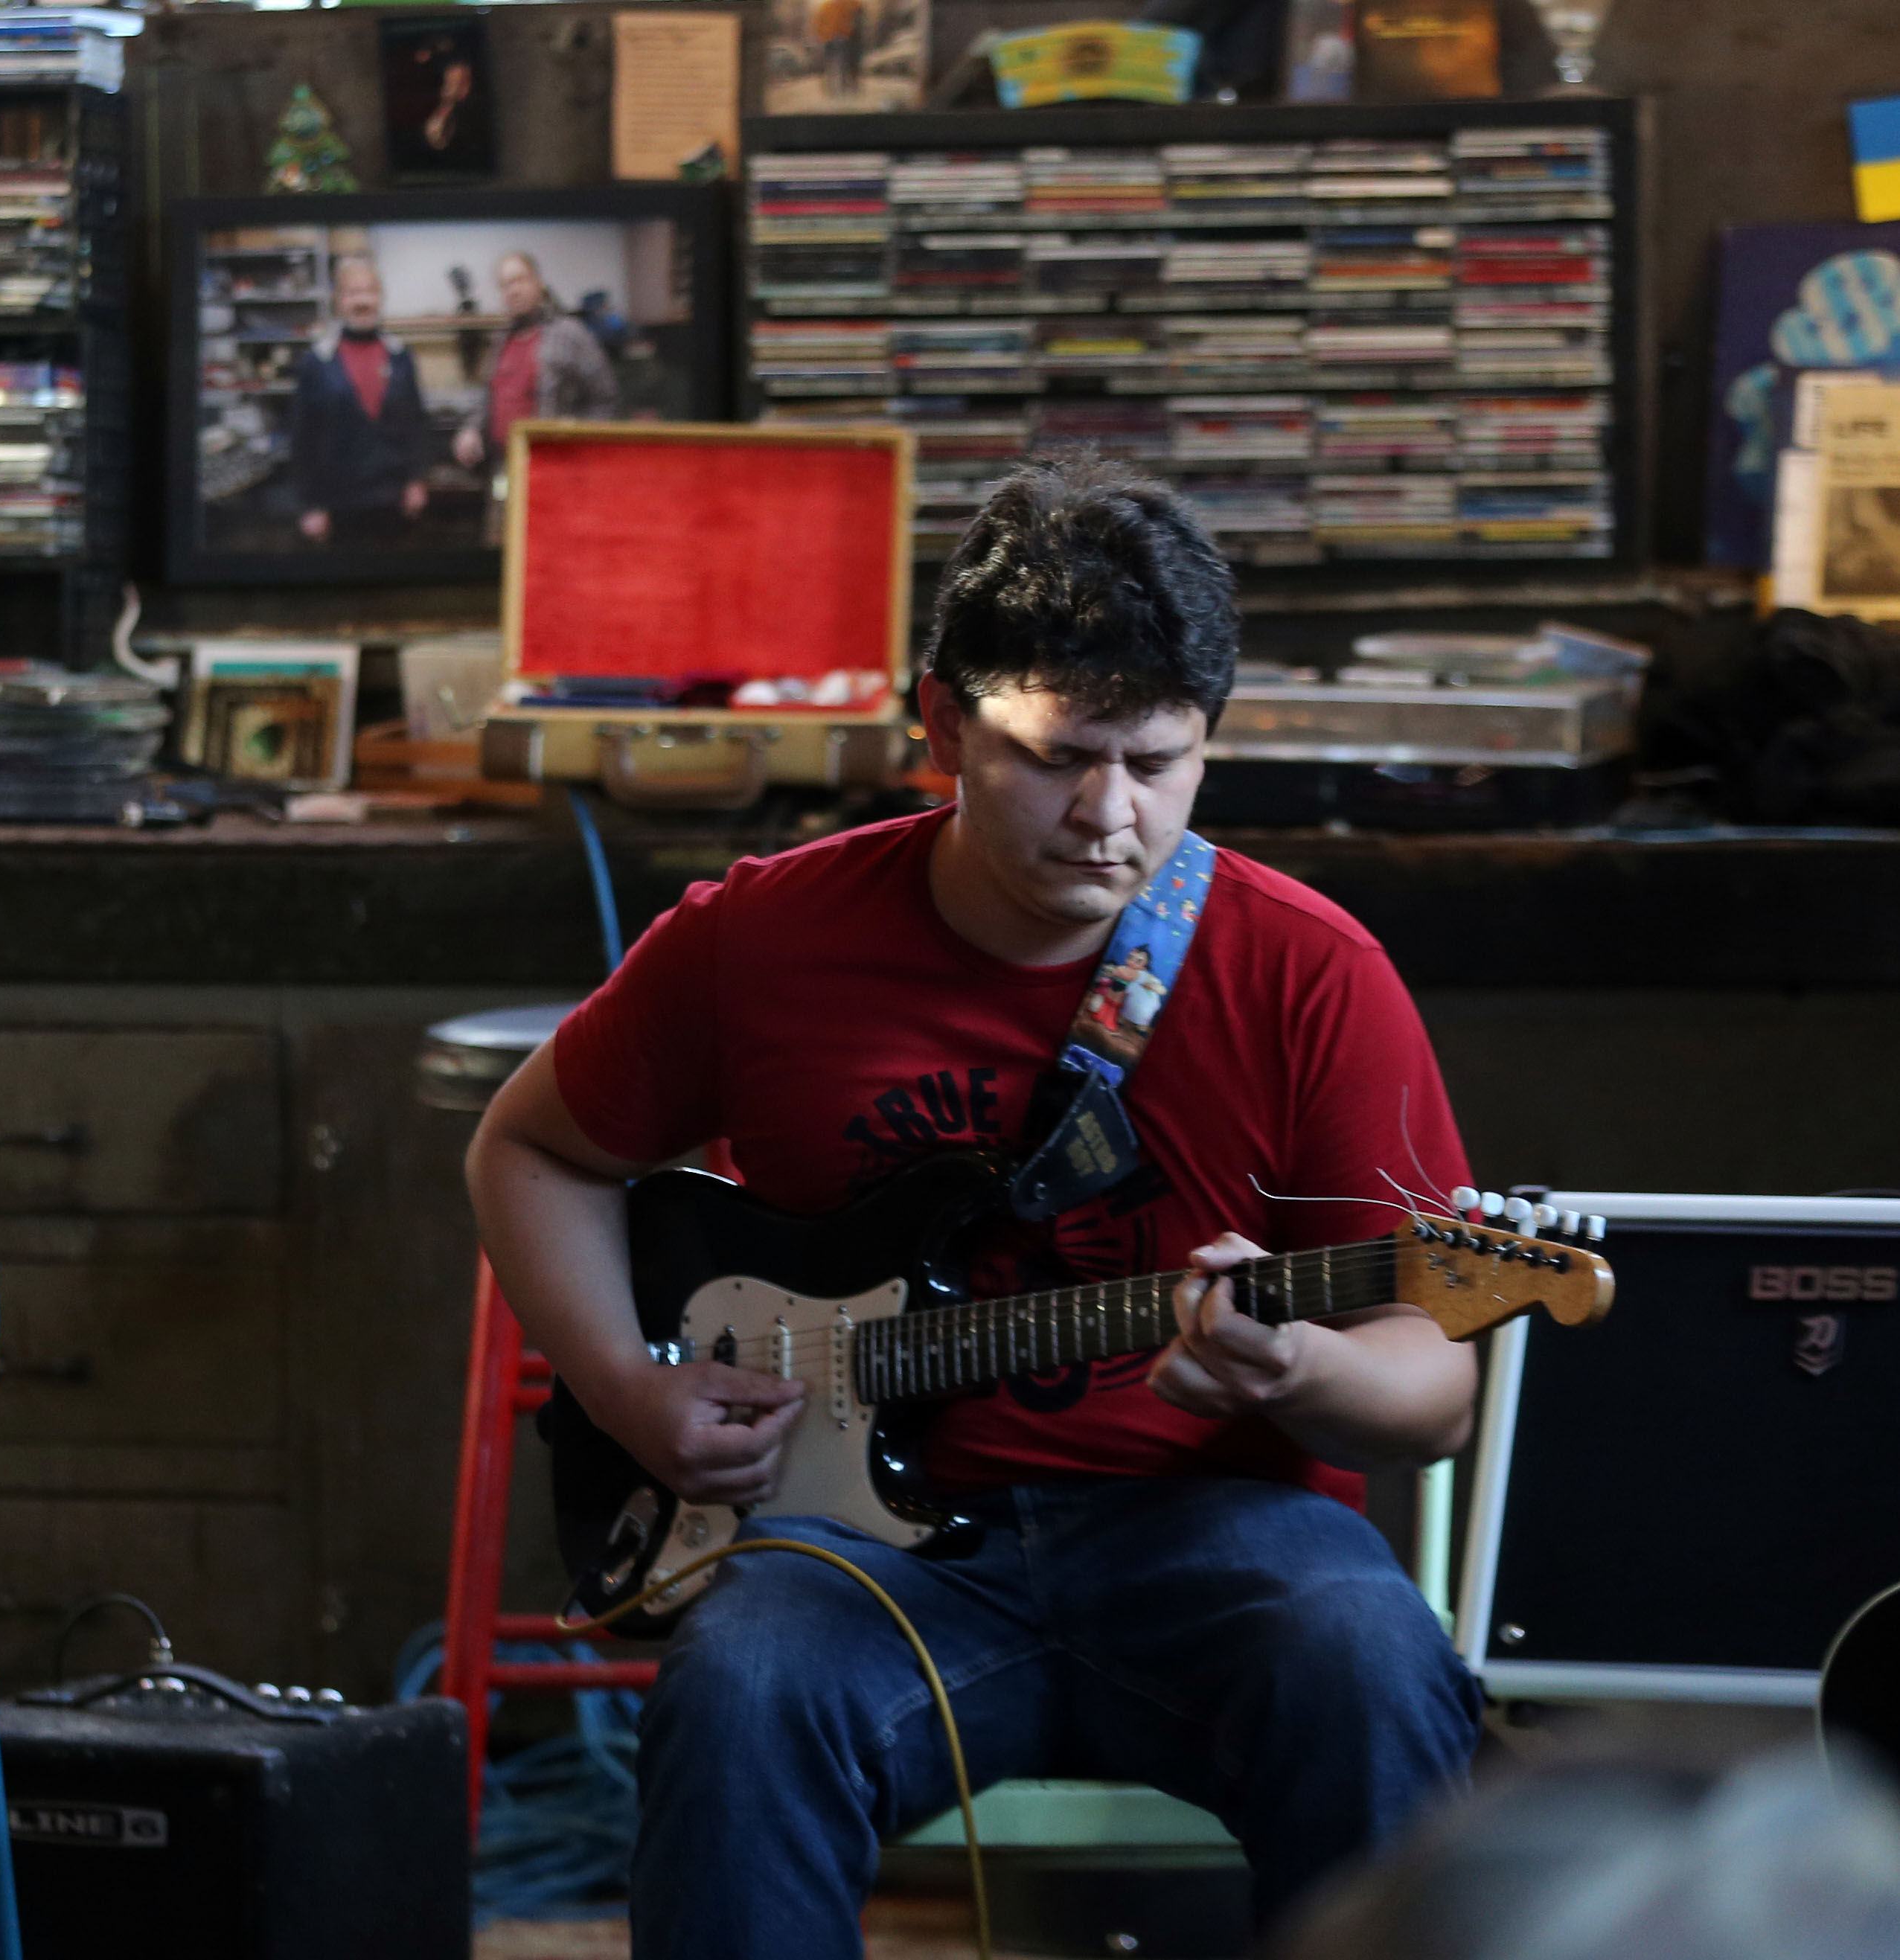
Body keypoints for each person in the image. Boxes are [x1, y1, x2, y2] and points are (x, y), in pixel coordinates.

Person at [466, 455, 1484, 1957]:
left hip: (1214, 1534)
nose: (1107, 816)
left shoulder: (1303, 969)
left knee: (1373, 1662)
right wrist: (625, 1390)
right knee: (741, 1688)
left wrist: (1304, 1370)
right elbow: (530, 1151)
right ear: (937, 720)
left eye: (1157, 762)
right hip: (857, 1553)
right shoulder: (765, 936)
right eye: (1054, 755)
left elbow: (1432, 1372)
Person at [290, 255, 432, 548]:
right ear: (339, 301)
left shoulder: (401, 356)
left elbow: (417, 424)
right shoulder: (317, 362)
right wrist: (310, 504)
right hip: (338, 505)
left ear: (380, 298)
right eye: (352, 292)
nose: (362, 301)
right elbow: (303, 437)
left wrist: (418, 481)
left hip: (394, 502)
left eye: (369, 291)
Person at [451, 249, 619, 474]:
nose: (513, 291)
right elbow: (489, 398)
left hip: (556, 469)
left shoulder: (570, 335)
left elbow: (606, 401)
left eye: (519, 280)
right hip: (505, 468)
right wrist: (472, 430)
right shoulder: (502, 341)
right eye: (505, 285)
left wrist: (576, 440)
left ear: (538, 283)